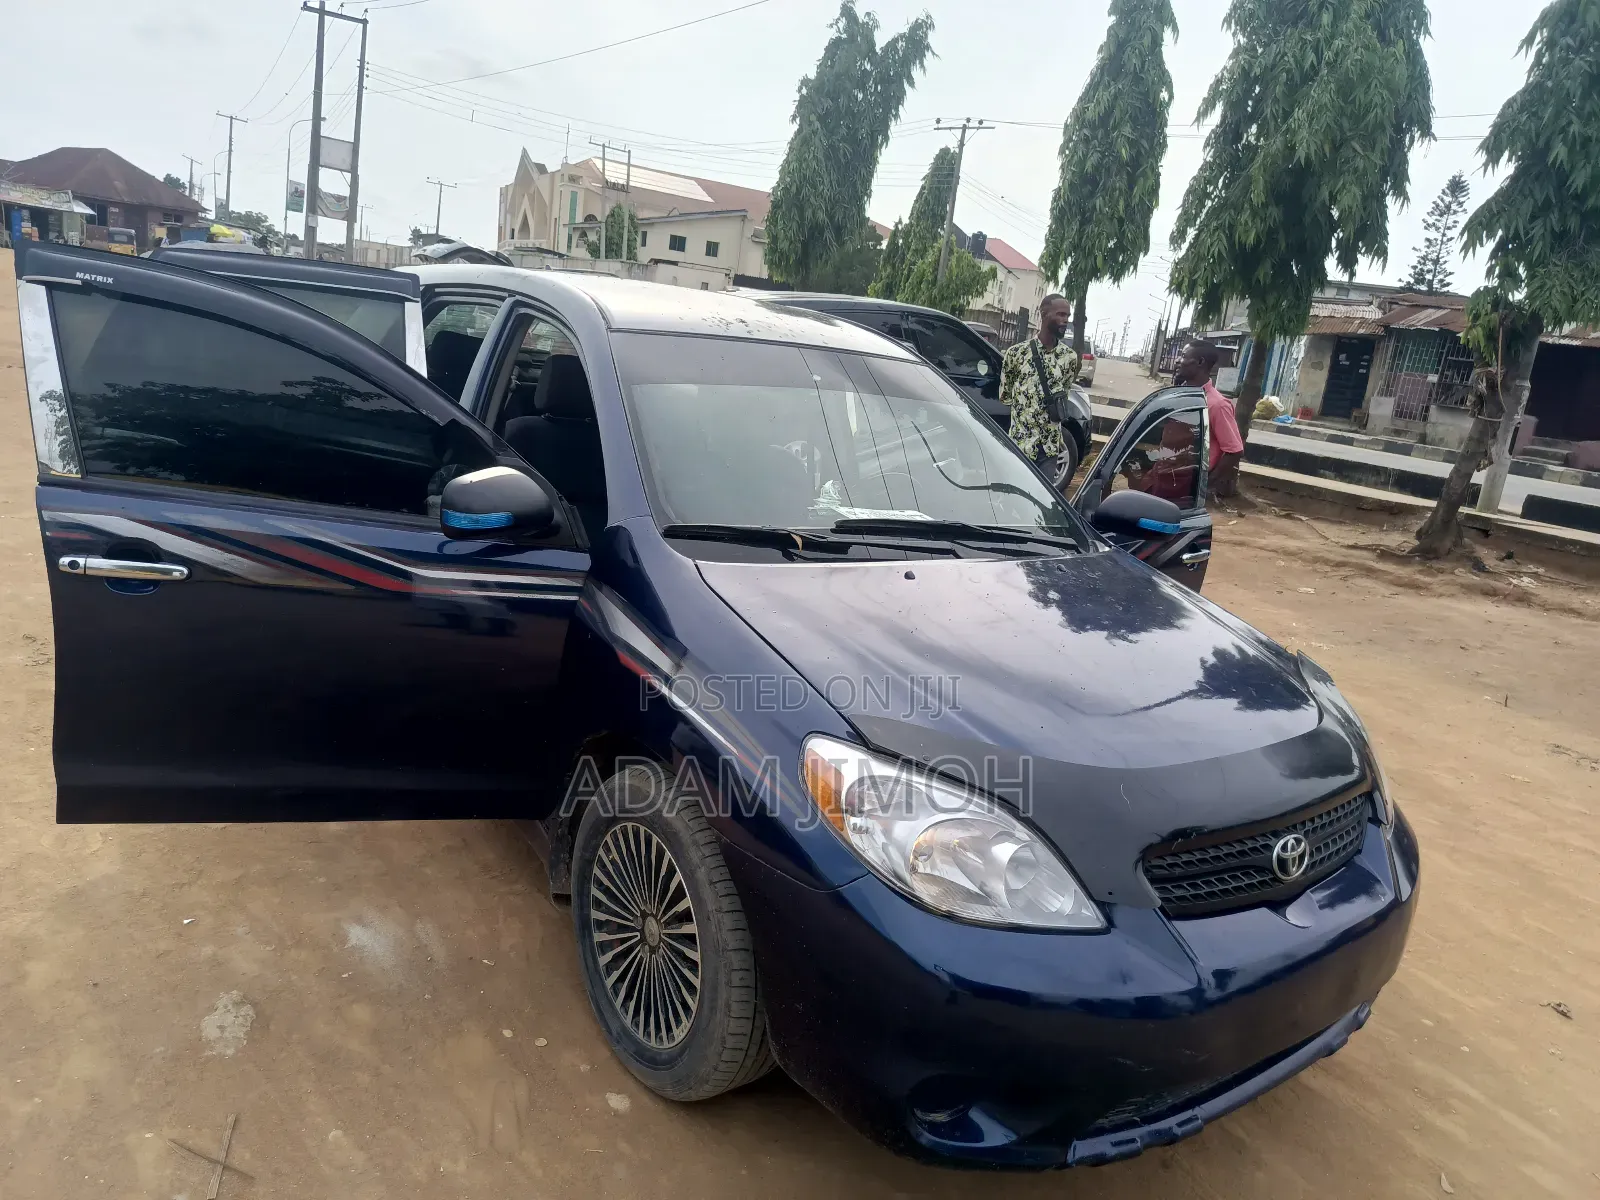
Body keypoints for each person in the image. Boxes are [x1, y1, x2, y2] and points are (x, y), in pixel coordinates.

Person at [1000, 294, 1080, 480]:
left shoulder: (1069, 358)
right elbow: (1005, 396)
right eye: (1060, 314)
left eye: (1067, 316)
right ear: (1044, 314)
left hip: (1049, 449)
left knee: (1040, 506)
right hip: (1020, 447)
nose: (1065, 321)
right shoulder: (1016, 354)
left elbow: (1064, 393)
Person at [1174, 340, 1244, 497]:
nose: (1178, 360)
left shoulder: (1217, 404)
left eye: (1184, 356)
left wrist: (1204, 485)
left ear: (1200, 362)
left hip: (1188, 486)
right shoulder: (1179, 394)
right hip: (1168, 476)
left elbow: (1234, 451)